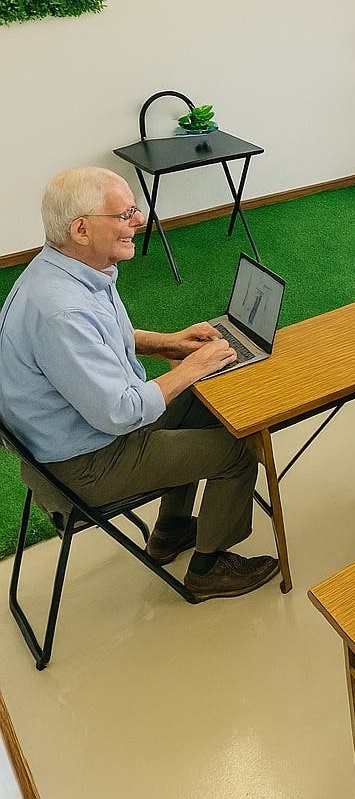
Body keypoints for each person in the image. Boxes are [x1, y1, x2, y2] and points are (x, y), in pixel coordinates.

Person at [0, 168, 278, 600]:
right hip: (87, 462)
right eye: (125, 213)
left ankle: (169, 532)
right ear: (81, 229)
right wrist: (192, 368)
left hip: (81, 436)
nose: (139, 221)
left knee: (204, 407)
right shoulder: (62, 311)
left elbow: (101, 338)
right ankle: (208, 569)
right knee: (236, 452)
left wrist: (167, 344)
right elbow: (122, 411)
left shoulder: (66, 270)